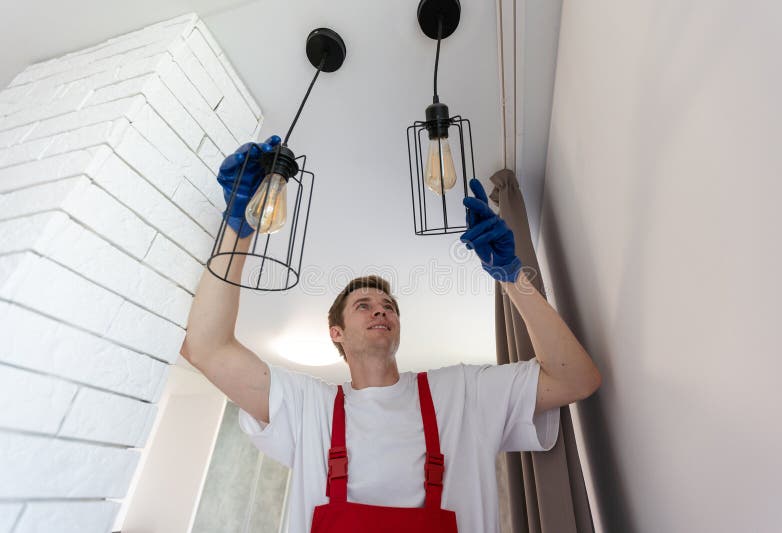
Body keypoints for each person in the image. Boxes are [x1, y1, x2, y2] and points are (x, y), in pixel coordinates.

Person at [180, 137, 602, 533]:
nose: (381, 309)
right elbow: (205, 348)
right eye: (363, 305)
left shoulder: (464, 393)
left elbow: (576, 380)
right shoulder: (307, 407)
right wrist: (239, 227)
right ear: (337, 333)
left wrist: (513, 278)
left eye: (388, 307)